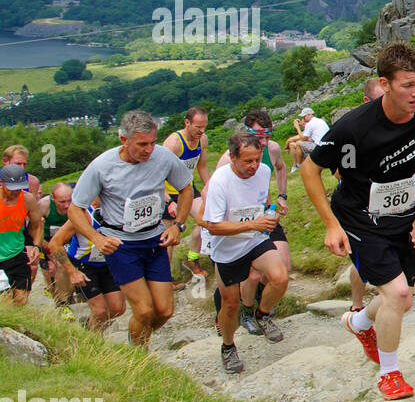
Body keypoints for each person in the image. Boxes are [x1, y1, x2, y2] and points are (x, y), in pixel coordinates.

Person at [303, 42, 415, 401]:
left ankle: (360, 322)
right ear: (384, 84)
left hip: (404, 216)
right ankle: (389, 373)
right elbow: (310, 170)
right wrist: (331, 224)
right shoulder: (353, 127)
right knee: (396, 294)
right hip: (360, 219)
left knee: (403, 299)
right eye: (407, 85)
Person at [68, 110, 193, 348]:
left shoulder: (163, 157)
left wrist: (178, 225)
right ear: (124, 140)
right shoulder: (102, 166)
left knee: (165, 311)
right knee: (144, 311)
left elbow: (186, 187)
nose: (148, 150)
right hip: (121, 244)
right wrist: (96, 238)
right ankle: (137, 356)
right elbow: (75, 209)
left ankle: (135, 342)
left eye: (153, 143)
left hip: (154, 239)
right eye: (142, 144)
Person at [203, 130, 289, 373]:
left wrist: (270, 211)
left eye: (257, 159)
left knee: (280, 277)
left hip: (254, 239)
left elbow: (261, 199)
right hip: (227, 248)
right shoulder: (220, 181)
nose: (254, 166)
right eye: (247, 161)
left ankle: (261, 315)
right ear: (232, 157)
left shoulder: (262, 171)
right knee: (230, 305)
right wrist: (253, 223)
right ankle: (228, 347)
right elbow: (213, 226)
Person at [212, 110, 291, 335]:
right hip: (230, 232)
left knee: (281, 270)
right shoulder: (225, 165)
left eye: (267, 136)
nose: (264, 142)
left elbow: (277, 172)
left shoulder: (270, 156)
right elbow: (212, 210)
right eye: (259, 136)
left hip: (258, 223)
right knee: (236, 291)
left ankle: (261, 312)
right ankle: (234, 323)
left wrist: (279, 200)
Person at [347, 76, 389, 314]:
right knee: (362, 258)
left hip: (391, 204)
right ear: (366, 101)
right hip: (361, 205)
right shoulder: (353, 130)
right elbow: (341, 172)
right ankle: (357, 305)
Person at [48, 208, 125, 332]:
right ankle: (93, 341)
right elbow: (54, 244)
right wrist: (72, 272)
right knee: (100, 310)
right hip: (84, 265)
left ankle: (88, 325)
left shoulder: (123, 211)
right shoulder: (83, 214)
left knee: (118, 308)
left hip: (107, 263)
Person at [162, 106, 211, 279]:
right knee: (169, 239)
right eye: (198, 127)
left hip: (188, 189)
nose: (201, 131)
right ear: (187, 123)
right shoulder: (173, 143)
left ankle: (192, 258)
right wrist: (169, 201)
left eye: (204, 126)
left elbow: (202, 166)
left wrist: (210, 188)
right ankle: (166, 279)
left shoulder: (202, 140)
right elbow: (157, 175)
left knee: (206, 220)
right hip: (167, 192)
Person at [0, 164, 44, 306]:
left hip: (17, 253)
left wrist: (36, 246)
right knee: (5, 301)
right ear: (1, 183)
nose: (15, 192)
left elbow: (37, 226)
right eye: (11, 188)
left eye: (18, 188)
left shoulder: (27, 199)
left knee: (21, 300)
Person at [35, 182, 76, 318]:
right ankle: (60, 301)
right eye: (62, 202)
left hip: (69, 242)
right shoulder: (43, 205)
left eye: (69, 200)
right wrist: (48, 248)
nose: (66, 205)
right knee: (54, 269)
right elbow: (34, 231)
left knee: (67, 266)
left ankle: (66, 299)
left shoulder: (76, 204)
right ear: (53, 198)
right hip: (46, 242)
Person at [287, 107, 329, 171]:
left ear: (309, 115)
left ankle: (298, 165)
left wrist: (297, 128)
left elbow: (303, 138)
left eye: (304, 116)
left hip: (319, 146)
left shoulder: (310, 123)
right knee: (300, 144)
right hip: (326, 145)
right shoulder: (320, 121)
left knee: (298, 143)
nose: (303, 118)